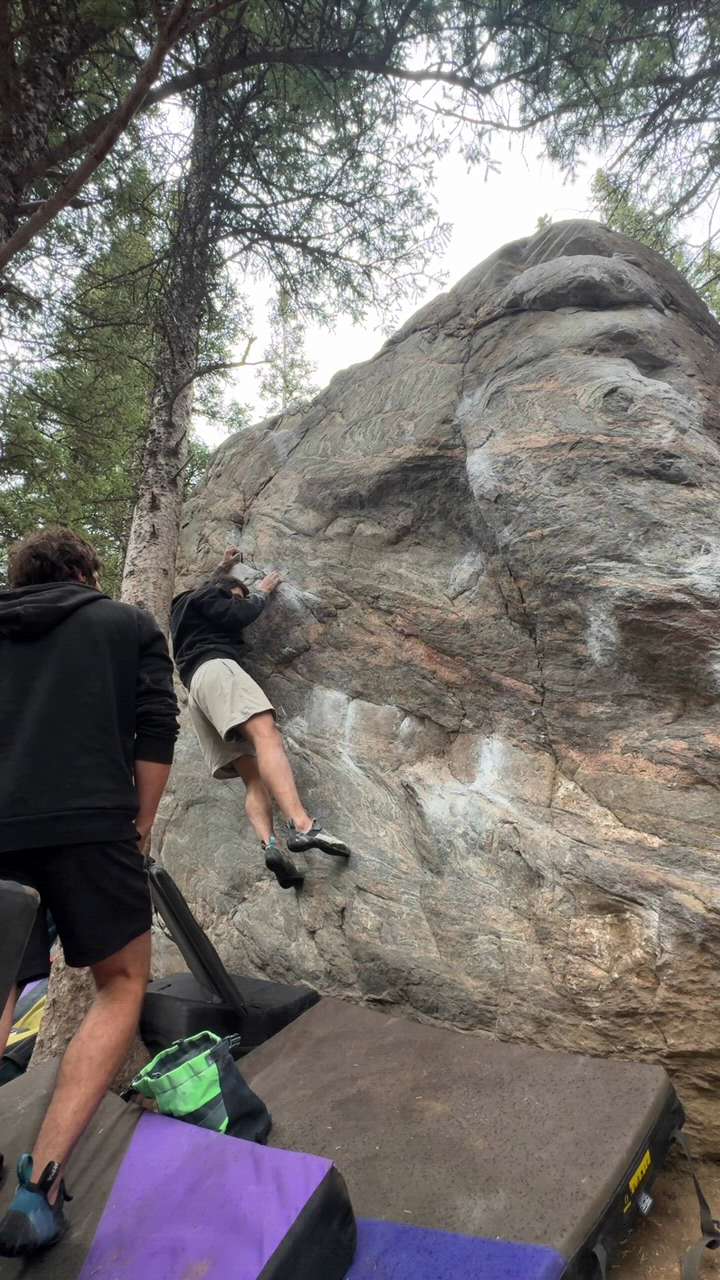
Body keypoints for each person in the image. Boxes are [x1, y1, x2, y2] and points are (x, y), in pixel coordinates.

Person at [0, 527, 178, 1256]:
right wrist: (136, 828)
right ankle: (36, 1192)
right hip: (90, 824)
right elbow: (155, 732)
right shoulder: (124, 623)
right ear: (83, 572)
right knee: (121, 982)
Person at [170, 549, 350, 889]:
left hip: (197, 690)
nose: (239, 599)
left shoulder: (184, 605)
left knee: (251, 776)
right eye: (235, 594)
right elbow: (238, 612)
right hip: (219, 669)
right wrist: (262, 592)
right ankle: (303, 825)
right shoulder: (214, 597)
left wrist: (223, 566)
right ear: (223, 593)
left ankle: (269, 845)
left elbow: (212, 585)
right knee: (267, 735)